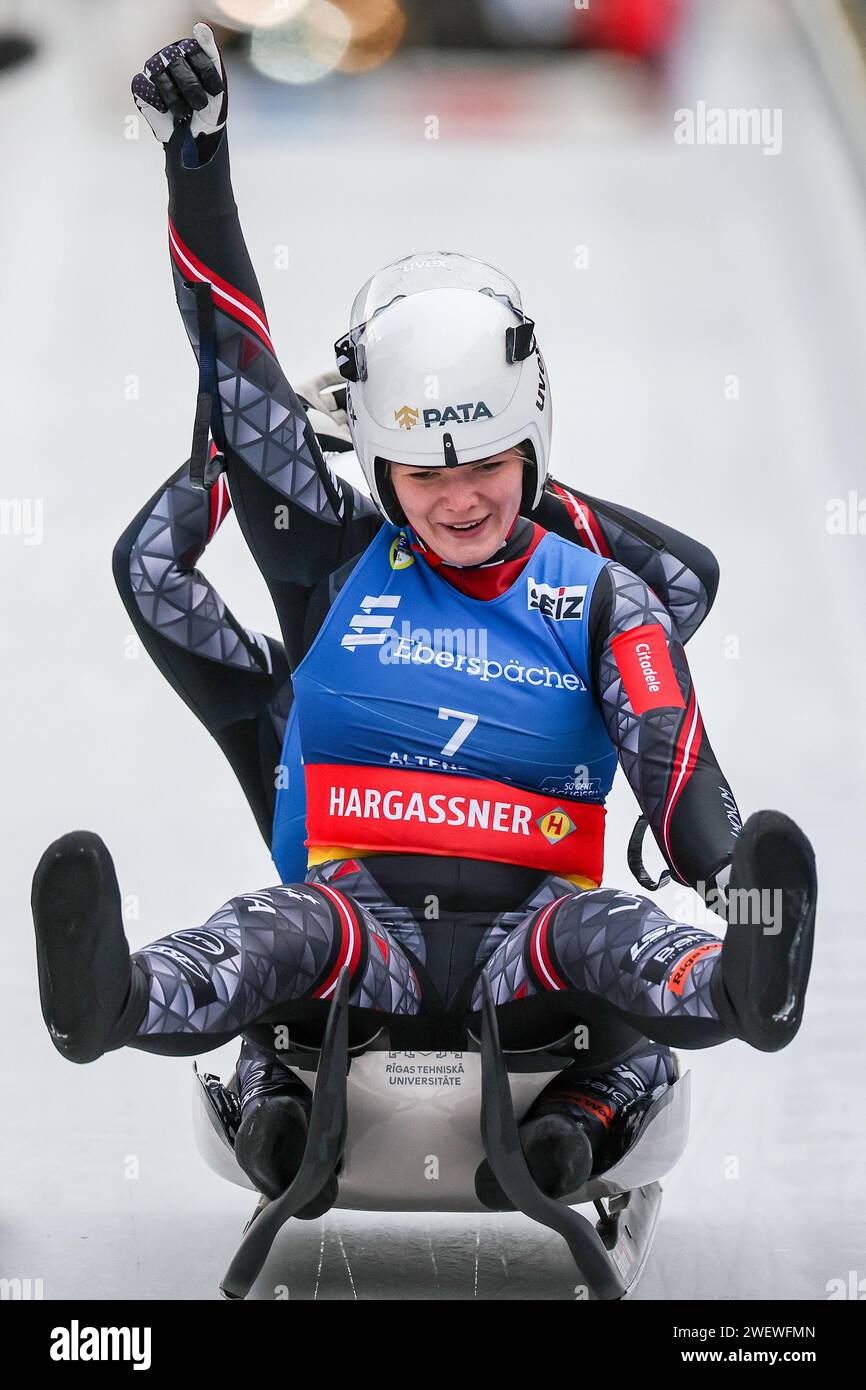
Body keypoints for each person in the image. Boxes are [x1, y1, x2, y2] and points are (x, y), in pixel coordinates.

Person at [32, 25, 816, 1220]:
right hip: (365, 930)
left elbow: (673, 756)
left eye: (487, 464)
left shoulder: (599, 595)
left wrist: (727, 882)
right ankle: (115, 997)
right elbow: (235, 369)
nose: (457, 500)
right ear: (377, 467)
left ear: (531, 447)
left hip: (532, 942)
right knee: (267, 931)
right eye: (423, 473)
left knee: (616, 933)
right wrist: (196, 161)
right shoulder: (332, 564)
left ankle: (742, 984)